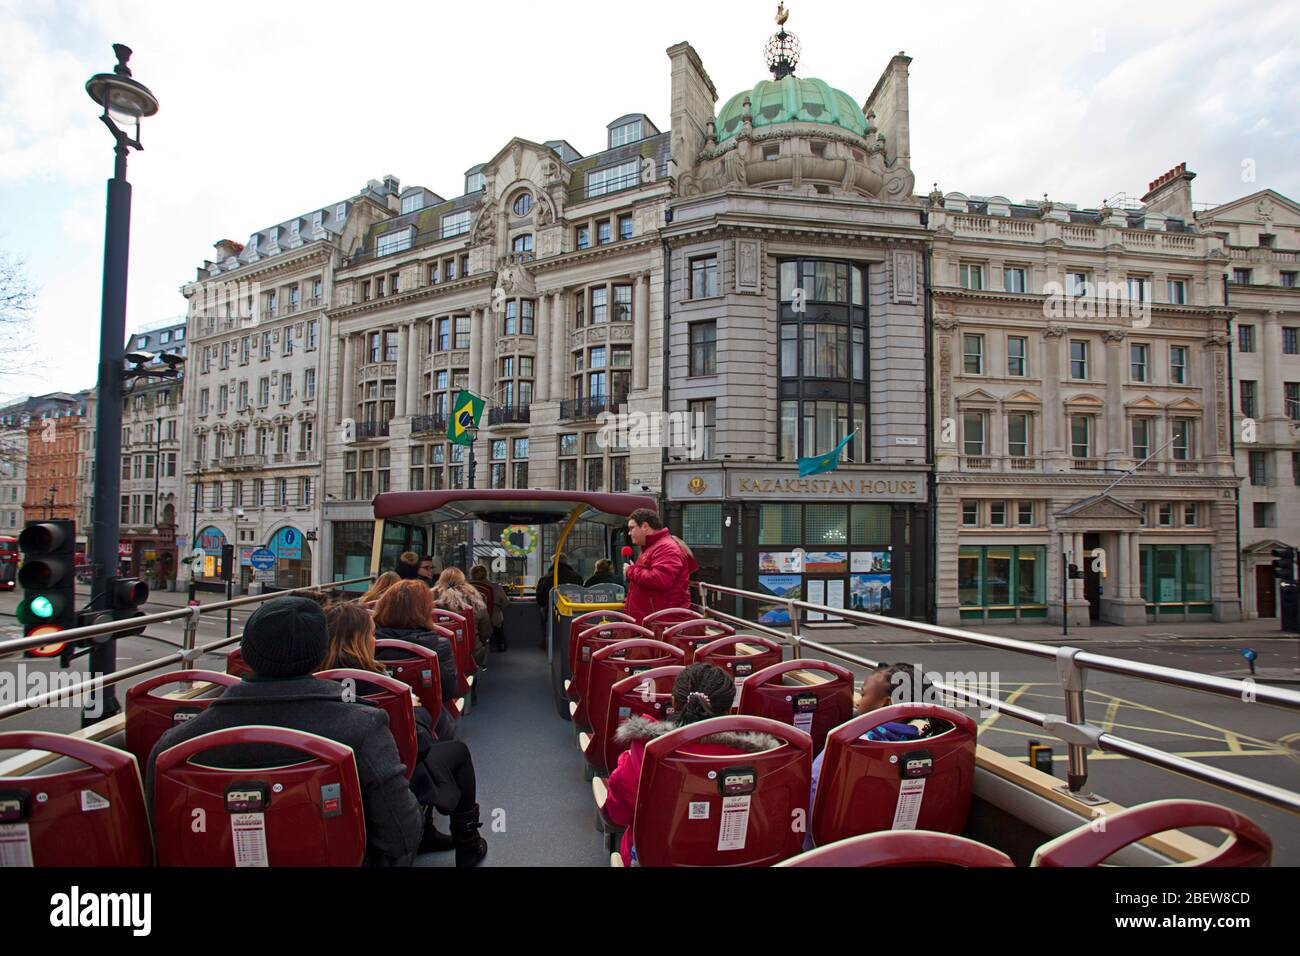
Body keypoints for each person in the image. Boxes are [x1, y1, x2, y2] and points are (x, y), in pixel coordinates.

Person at [144, 596, 422, 867]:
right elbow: (401, 834)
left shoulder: (174, 747)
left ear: (247, 652)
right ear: (321, 653)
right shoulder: (362, 727)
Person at [322, 601, 487, 866]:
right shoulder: (383, 684)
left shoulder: (317, 680)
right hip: (384, 771)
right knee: (456, 752)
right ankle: (467, 841)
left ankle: (431, 831)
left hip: (332, 784)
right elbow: (418, 744)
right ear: (363, 640)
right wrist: (413, 709)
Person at [603, 663, 779, 866]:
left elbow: (618, 814)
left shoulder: (645, 752)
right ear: (729, 709)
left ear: (673, 702)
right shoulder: (763, 759)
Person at [805, 662, 936, 844]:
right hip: (905, 845)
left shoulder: (850, 744)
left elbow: (813, 791)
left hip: (837, 846)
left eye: (863, 694)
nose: (857, 700)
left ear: (886, 704)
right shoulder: (932, 744)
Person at [372, 580, 461, 738]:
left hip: (376, 724)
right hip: (427, 724)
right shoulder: (438, 646)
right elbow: (448, 692)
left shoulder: (367, 645)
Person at [622, 508, 698, 622]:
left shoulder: (666, 548)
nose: (629, 533)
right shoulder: (655, 547)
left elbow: (659, 579)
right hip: (653, 620)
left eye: (632, 528)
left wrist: (630, 571)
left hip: (660, 623)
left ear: (645, 526)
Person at [430, 567, 491, 669]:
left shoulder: (428, 599)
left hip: (437, 654)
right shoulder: (475, 600)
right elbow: (486, 631)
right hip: (472, 654)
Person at [536, 555, 583, 649]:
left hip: (551, 610)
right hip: (573, 610)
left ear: (553, 563)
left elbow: (540, 599)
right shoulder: (577, 577)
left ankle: (546, 639)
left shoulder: (546, 578)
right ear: (566, 563)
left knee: (543, 611)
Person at [468, 564, 509, 652]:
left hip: (473, 616)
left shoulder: (467, 587)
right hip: (494, 616)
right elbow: (505, 602)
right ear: (486, 574)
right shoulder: (495, 587)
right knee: (499, 627)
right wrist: (497, 609)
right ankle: (501, 646)